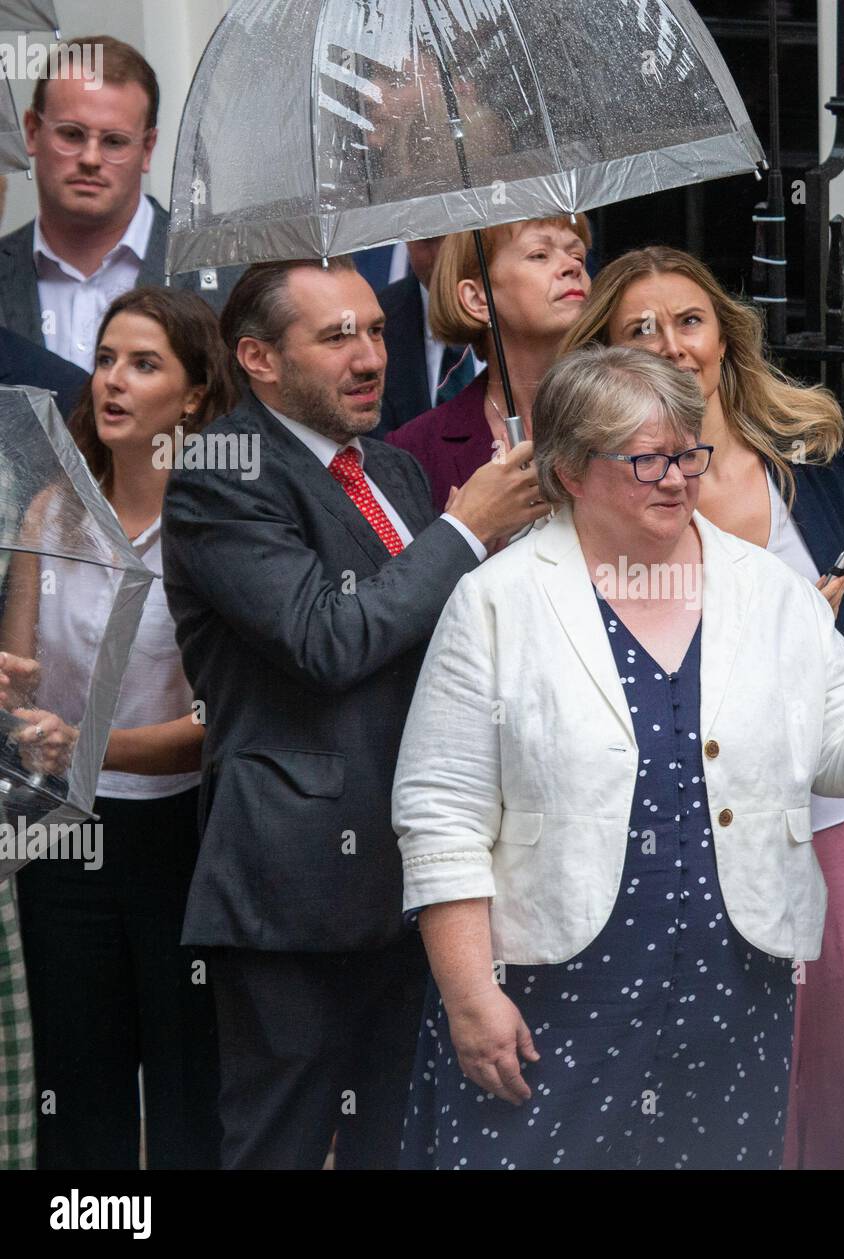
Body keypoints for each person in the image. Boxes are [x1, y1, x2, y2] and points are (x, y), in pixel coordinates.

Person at [392, 345, 844, 1170]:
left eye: (687, 453)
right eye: (646, 458)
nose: (676, 477)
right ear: (569, 471)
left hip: (730, 990)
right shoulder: (496, 600)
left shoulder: (761, 588)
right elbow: (440, 811)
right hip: (550, 992)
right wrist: (469, 994)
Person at [562, 245, 844, 1167]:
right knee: (743, 1094)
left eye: (689, 320)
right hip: (705, 829)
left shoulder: (808, 442)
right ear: (607, 355)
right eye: (641, 329)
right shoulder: (610, 486)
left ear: (723, 333)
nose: (671, 343)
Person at [160, 256, 549, 1170]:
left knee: (398, 1141)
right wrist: (464, 530)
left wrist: (503, 545)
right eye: (337, 336)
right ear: (257, 357)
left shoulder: (393, 472)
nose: (369, 355)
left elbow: (439, 636)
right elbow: (326, 638)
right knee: (282, 1143)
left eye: (375, 330)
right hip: (295, 885)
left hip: (418, 873)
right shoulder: (224, 474)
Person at [1, 287, 240, 1169]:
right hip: (62, 837)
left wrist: (88, 743)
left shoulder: (215, 526)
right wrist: (17, 700)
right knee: (79, 1090)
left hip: (179, 834)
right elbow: (19, 682)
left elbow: (220, 721)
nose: (112, 380)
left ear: (193, 396)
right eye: (105, 358)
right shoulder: (49, 515)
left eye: (144, 364)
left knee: (187, 1092)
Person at [0, 35, 240, 369]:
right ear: (31, 131)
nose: (91, 158)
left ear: (148, 149)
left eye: (114, 142)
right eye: (71, 134)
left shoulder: (225, 281)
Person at [386, 214, 591, 512]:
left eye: (577, 254)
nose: (572, 266)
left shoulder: (636, 411)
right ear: (477, 298)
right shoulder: (415, 450)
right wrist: (469, 538)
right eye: (540, 255)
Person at [374, 237, 481, 437]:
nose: (448, 254)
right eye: (431, 238)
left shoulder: (536, 314)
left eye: (462, 232)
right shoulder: (372, 326)